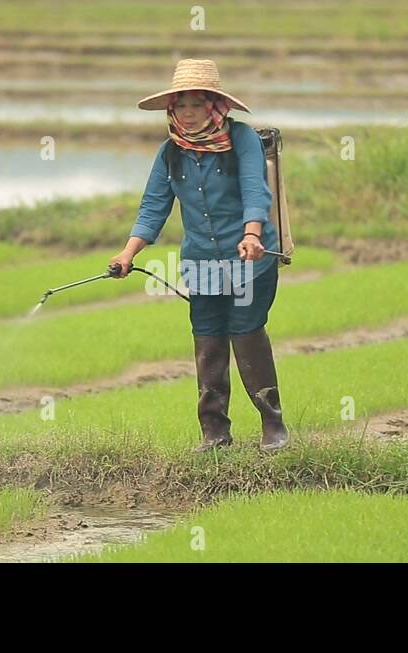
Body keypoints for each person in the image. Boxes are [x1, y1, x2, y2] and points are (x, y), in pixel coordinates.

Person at [109, 59, 290, 453]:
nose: (188, 115)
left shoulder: (241, 140)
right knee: (207, 341)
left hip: (250, 259)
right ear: (171, 110)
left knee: (246, 333)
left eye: (196, 105)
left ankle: (273, 425)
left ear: (213, 106)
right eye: (180, 107)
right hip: (201, 264)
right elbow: (153, 207)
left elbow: (256, 190)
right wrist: (126, 254)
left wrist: (251, 234)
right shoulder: (170, 153)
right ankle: (214, 433)